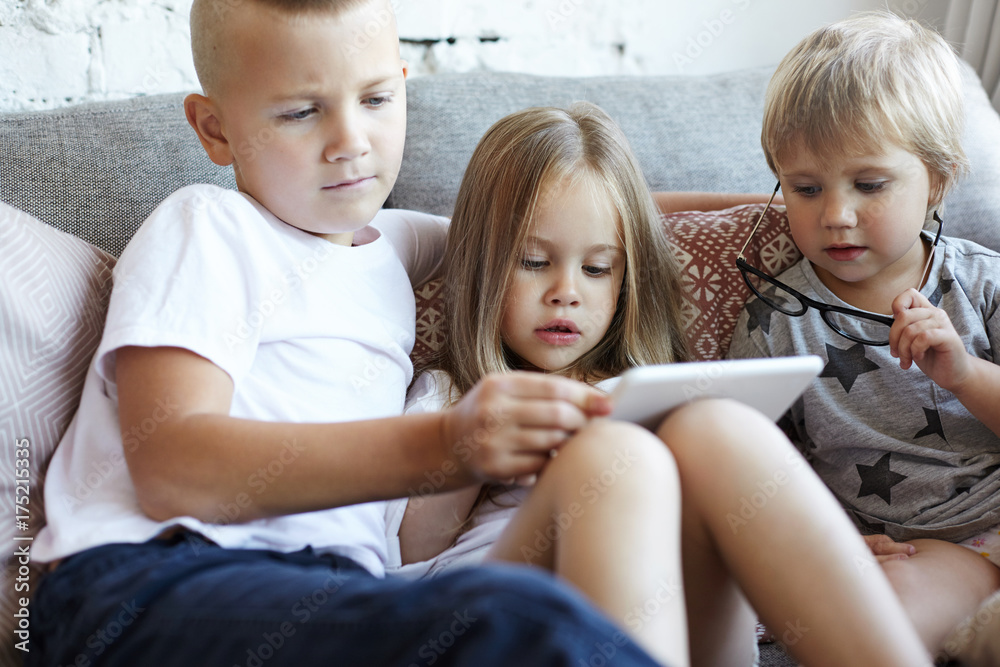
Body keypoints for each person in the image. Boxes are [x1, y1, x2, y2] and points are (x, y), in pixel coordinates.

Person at [24, 2, 674, 666]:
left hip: (333, 597)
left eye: (375, 98)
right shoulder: (208, 228)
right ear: (215, 129)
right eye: (302, 112)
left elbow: (560, 218)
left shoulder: (395, 246)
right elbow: (171, 468)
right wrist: (447, 444)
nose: (350, 141)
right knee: (517, 622)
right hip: (153, 578)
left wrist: (750, 216)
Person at [383, 102, 933, 667]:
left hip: (672, 624)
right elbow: (410, 554)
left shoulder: (650, 389)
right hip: (501, 621)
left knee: (717, 424)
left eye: (597, 269)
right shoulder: (454, 396)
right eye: (532, 261)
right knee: (614, 453)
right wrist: (469, 451)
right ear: (480, 263)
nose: (566, 292)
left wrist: (811, 560)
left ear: (627, 277)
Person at [726, 11, 1000, 659]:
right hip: (934, 548)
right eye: (806, 188)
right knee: (885, 615)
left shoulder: (982, 284)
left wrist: (962, 371)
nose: (836, 215)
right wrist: (831, 537)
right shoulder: (774, 323)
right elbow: (755, 471)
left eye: (869, 185)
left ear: (937, 178)